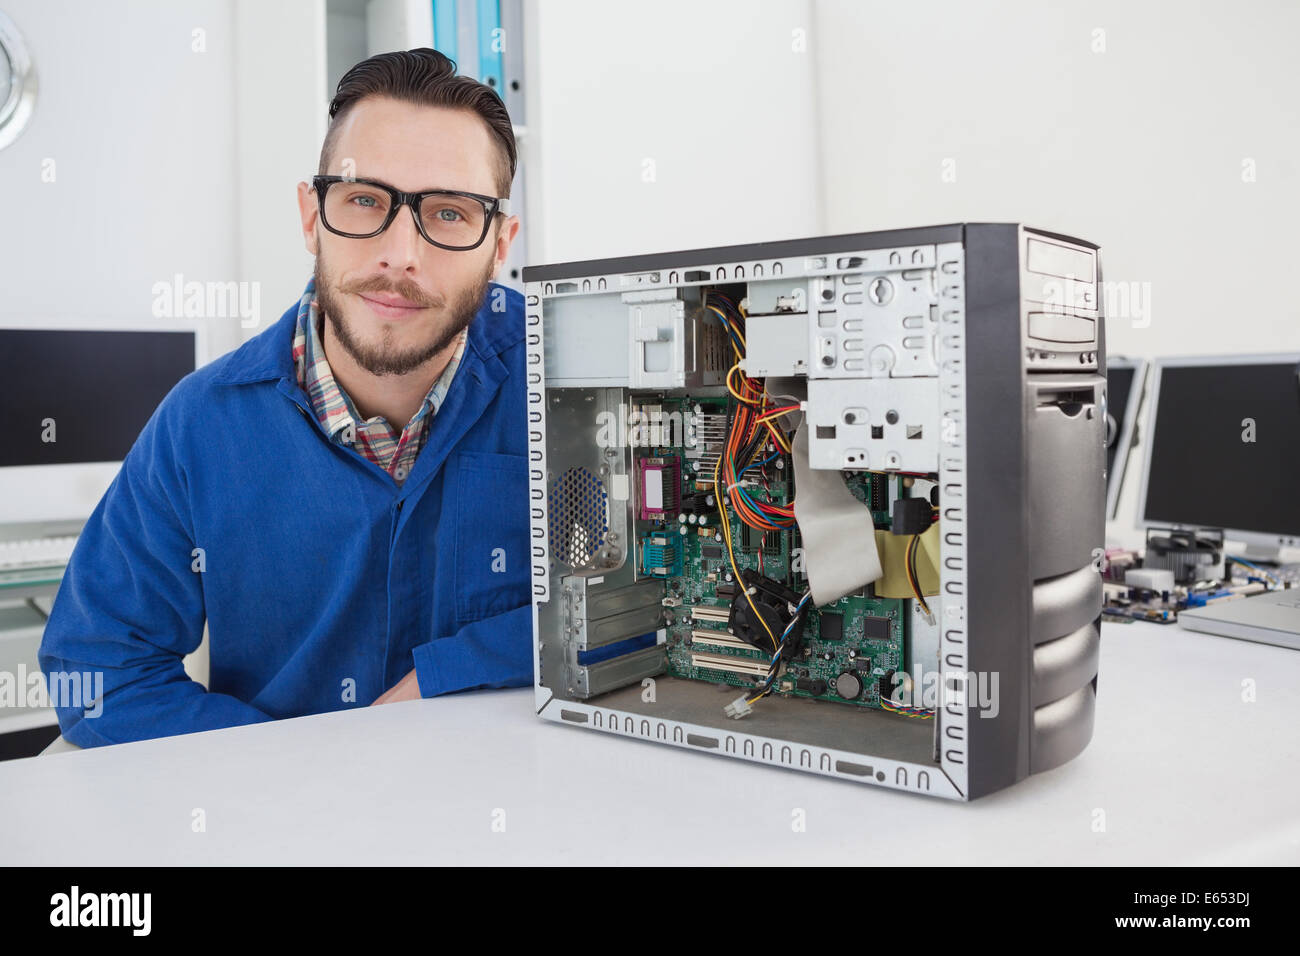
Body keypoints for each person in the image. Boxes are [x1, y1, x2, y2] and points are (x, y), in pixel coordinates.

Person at [38, 48, 533, 747]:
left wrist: (449, 674)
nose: (401, 254)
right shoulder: (200, 424)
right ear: (312, 216)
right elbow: (96, 669)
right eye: (366, 200)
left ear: (500, 243)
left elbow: (651, 607)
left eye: (450, 214)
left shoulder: (569, 385)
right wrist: (299, 770)